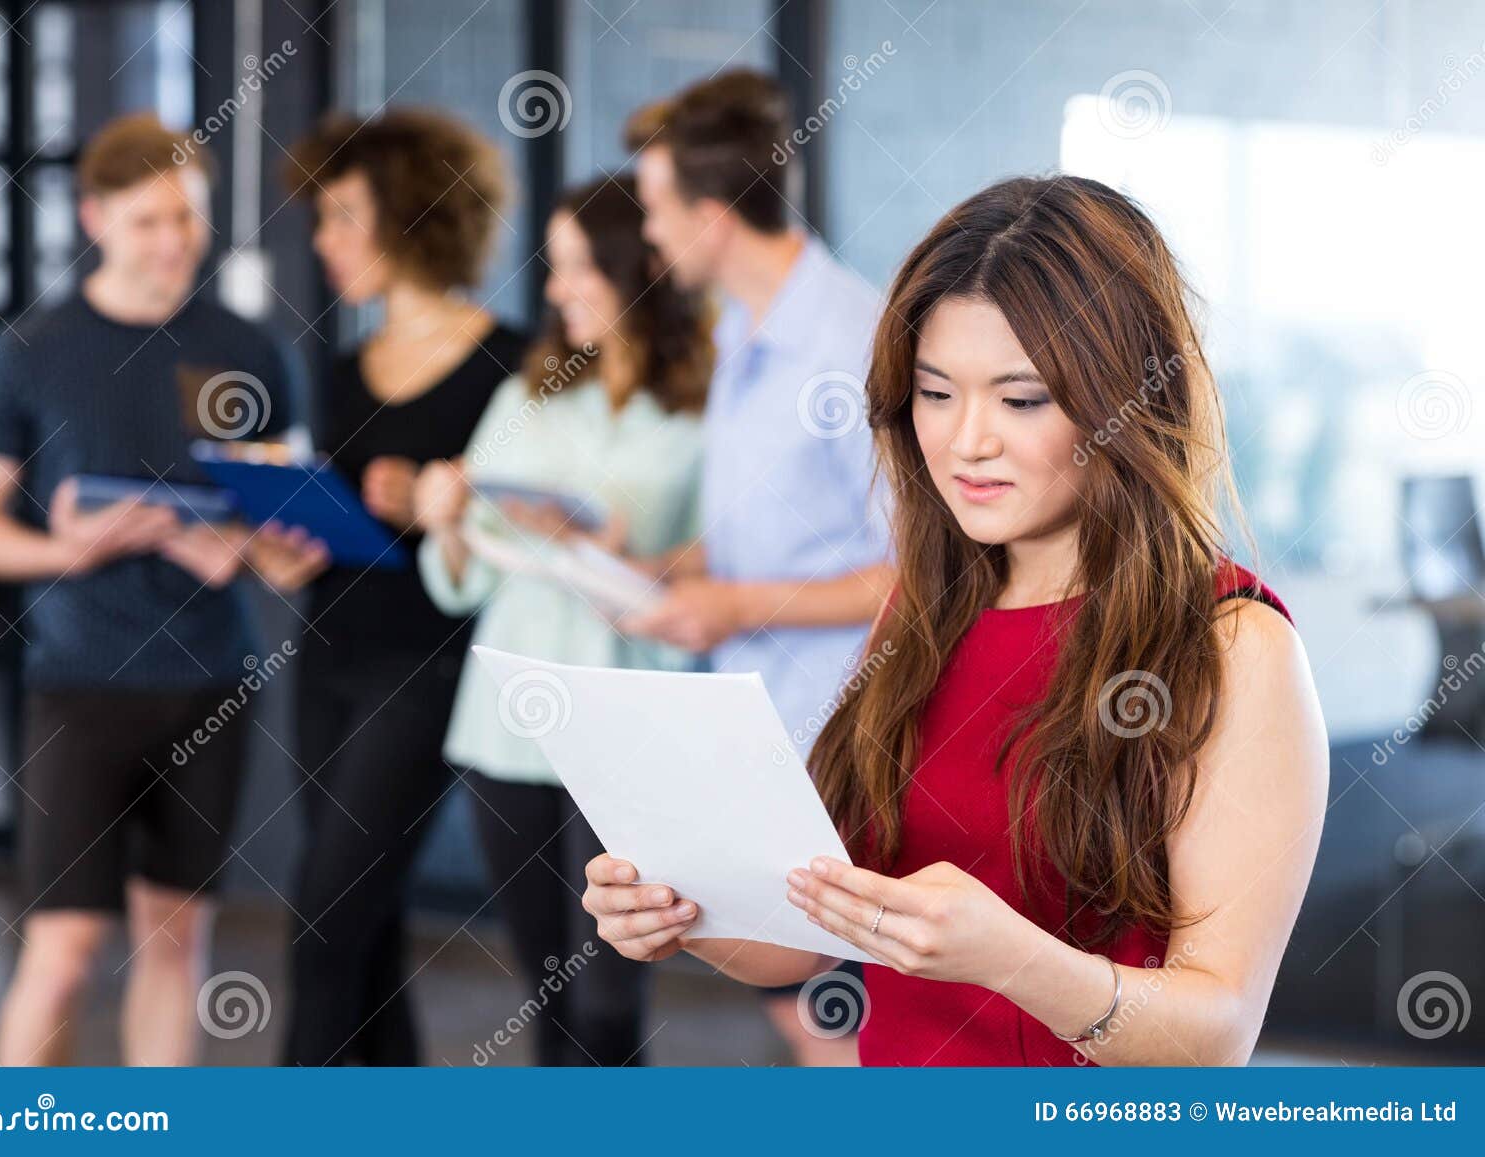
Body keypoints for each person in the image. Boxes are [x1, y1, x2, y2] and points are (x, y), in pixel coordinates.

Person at [582, 175, 1330, 1066]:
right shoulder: (922, 613)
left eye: (1021, 400)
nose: (966, 440)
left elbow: (1215, 1034)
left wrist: (1015, 958)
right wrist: (685, 914)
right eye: (936, 394)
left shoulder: (1233, 643)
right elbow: (812, 931)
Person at [0, 113, 327, 1067]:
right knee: (65, 948)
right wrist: (70, 550)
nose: (173, 242)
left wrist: (250, 544)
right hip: (82, 686)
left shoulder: (251, 349)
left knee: (177, 942)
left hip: (210, 682)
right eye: (149, 220)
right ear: (95, 218)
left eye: (188, 219)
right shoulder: (31, 353)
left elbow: (289, 539)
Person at [618, 69, 891, 1065]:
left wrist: (736, 602)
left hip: (847, 737)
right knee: (804, 1008)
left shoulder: (848, 343)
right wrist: (672, 564)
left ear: (712, 216)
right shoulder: (737, 329)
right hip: (765, 724)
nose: (648, 237)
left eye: (654, 212)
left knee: (841, 1018)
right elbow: (775, 530)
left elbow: (924, 578)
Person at [412, 174, 711, 1065]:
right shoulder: (528, 395)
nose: (555, 288)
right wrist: (445, 519)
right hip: (511, 715)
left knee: (614, 995)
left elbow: (737, 562)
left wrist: (627, 550)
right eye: (555, 267)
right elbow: (454, 582)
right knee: (549, 996)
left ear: (640, 268)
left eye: (579, 265)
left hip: (634, 717)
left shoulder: (708, 402)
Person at [277, 109, 528, 1066]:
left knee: (322, 921)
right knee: (364, 926)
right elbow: (330, 520)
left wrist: (437, 506)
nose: (324, 240)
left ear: (413, 218)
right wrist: (286, 539)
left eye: (343, 216)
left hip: (429, 667)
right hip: (328, 651)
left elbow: (523, 533)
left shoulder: (514, 364)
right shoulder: (340, 371)